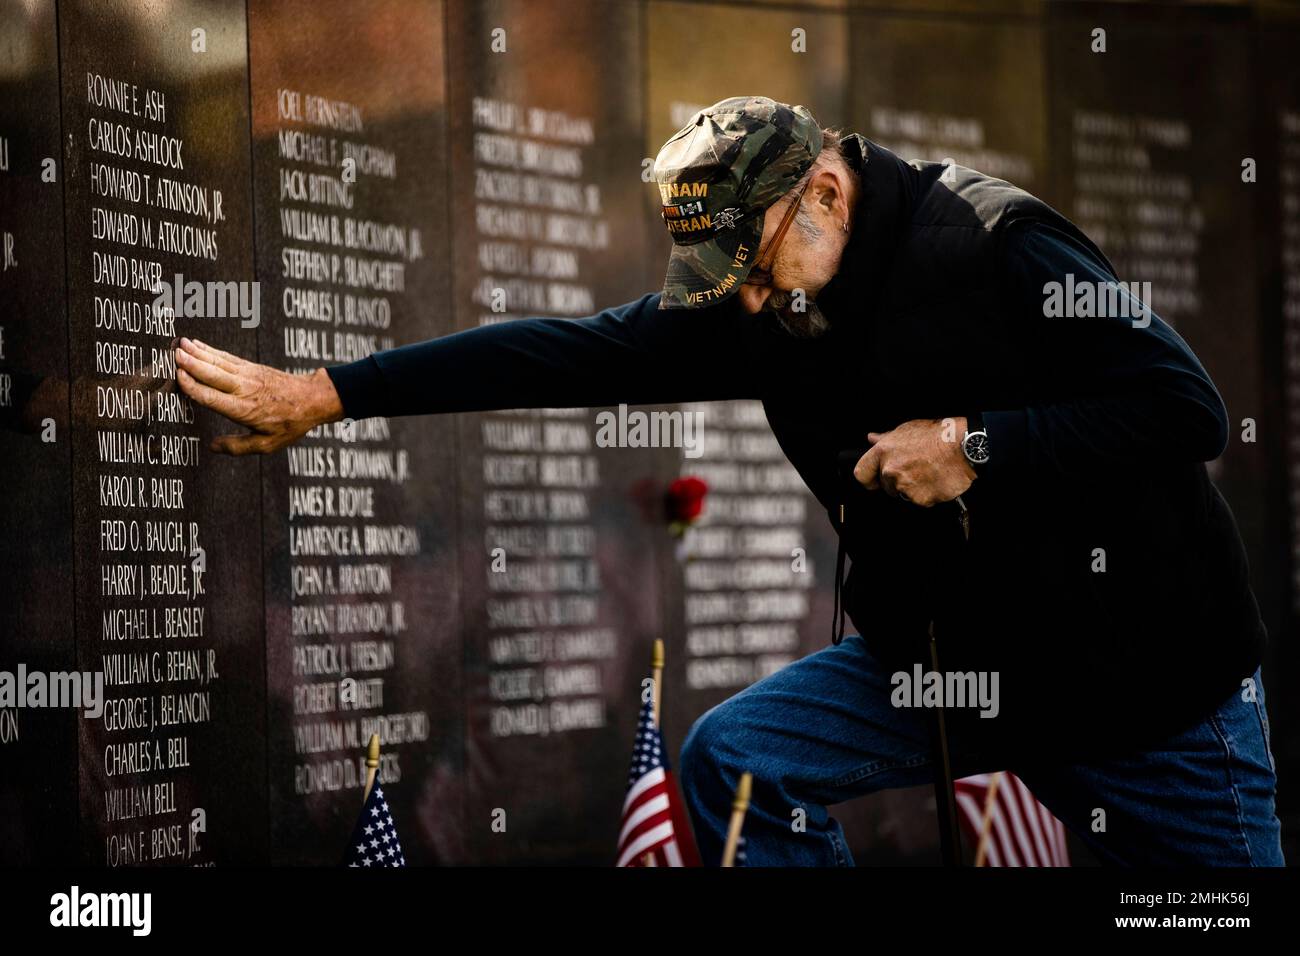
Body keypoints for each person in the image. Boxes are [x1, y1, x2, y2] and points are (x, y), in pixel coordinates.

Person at [175, 95, 1283, 866]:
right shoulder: (759, 302)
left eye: (752, 269)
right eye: (724, 283)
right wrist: (326, 392)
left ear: (827, 198)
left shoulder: (997, 243)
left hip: (1150, 696)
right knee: (737, 761)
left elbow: (1181, 407)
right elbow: (567, 352)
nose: (745, 304)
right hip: (953, 670)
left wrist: (971, 442)